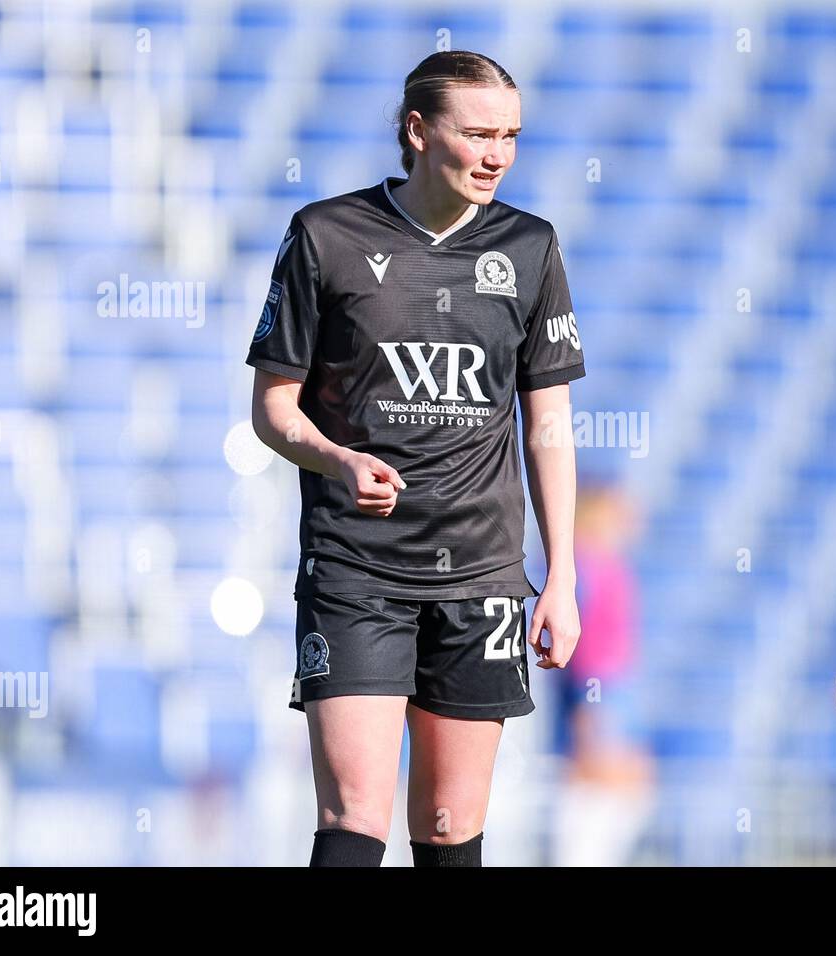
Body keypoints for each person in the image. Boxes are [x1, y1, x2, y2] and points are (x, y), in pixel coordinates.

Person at [246, 51, 585, 867]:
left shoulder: (530, 249)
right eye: (477, 133)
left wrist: (563, 576)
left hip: (483, 576)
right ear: (417, 131)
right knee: (354, 814)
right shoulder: (326, 235)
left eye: (510, 135)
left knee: (447, 825)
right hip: (356, 570)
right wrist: (336, 459)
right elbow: (271, 411)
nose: (497, 153)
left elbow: (548, 426)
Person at [549, 482, 654, 866]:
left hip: (607, 694)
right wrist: (590, 717)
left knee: (620, 792)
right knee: (595, 796)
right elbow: (587, 650)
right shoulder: (589, 568)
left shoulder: (603, 566)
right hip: (599, 695)